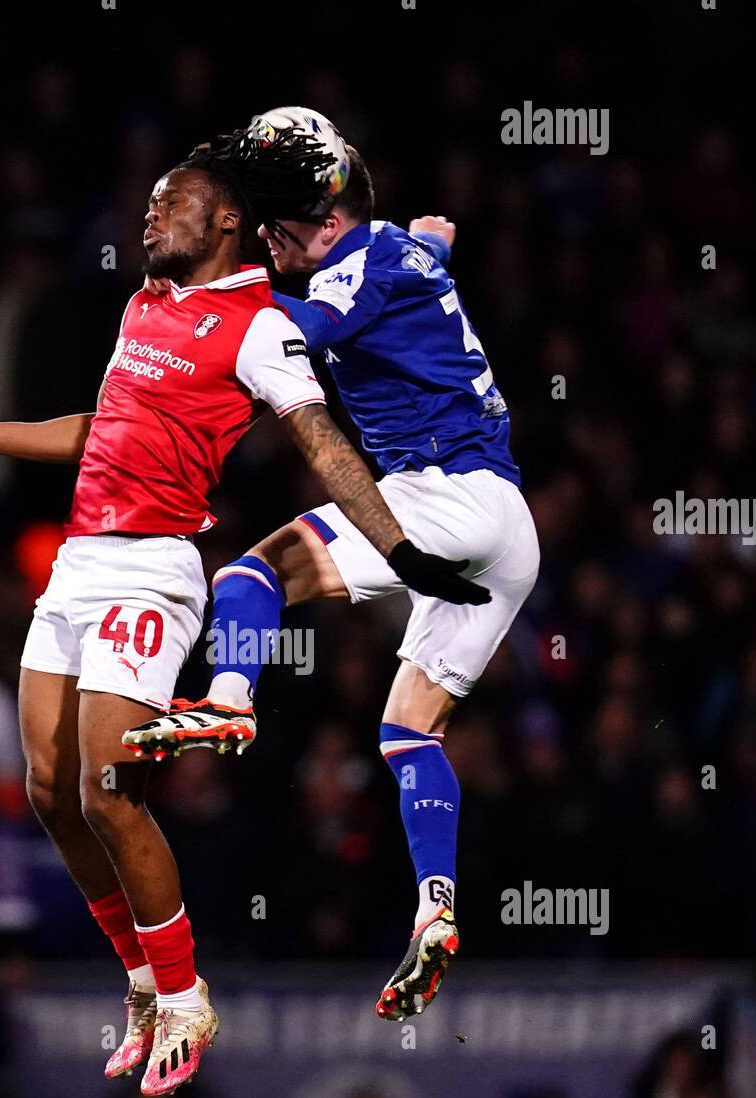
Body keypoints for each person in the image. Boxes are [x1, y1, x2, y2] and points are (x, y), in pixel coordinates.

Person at [0, 144, 483, 1097]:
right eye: (152, 202)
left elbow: (322, 444)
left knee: (106, 789)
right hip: (80, 559)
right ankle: (139, 982)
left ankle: (184, 994)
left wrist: (397, 549)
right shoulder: (144, 305)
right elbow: (104, 428)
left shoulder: (254, 328)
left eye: (173, 205)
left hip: (152, 571)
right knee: (45, 784)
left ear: (227, 226)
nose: (150, 216)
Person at [123, 118, 540, 1025]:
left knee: (252, 574)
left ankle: (229, 696)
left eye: (271, 216)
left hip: (444, 495)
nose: (261, 233)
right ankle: (436, 905)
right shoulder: (403, 252)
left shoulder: (355, 267)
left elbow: (284, 334)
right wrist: (432, 241)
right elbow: (414, 254)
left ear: (317, 208)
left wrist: (187, 310)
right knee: (409, 735)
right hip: (508, 524)